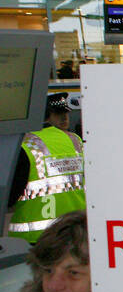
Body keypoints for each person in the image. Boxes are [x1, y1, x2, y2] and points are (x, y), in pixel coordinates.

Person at [9, 98, 85, 243]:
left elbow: (10, 196)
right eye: (58, 113)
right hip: (76, 231)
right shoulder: (75, 140)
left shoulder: (24, 144)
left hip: (37, 238)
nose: (64, 118)